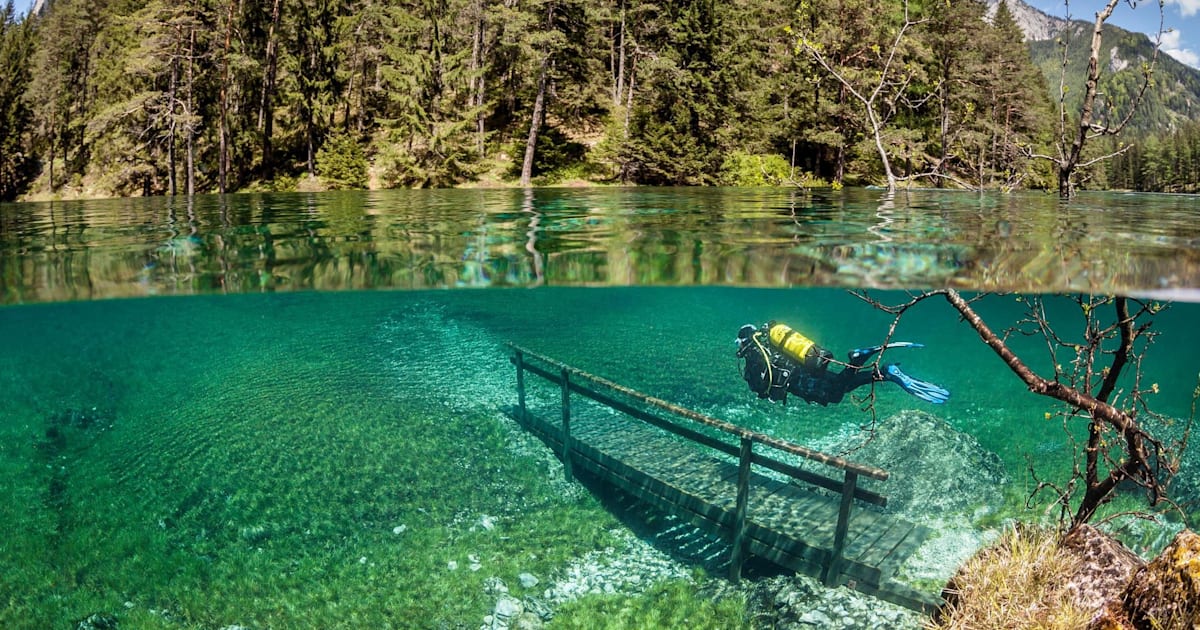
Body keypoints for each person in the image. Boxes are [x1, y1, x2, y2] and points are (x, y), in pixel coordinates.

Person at [735, 321, 949, 406]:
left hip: (797, 382)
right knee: (841, 384)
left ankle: (858, 358)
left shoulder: (754, 355)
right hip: (807, 368)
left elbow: (759, 386)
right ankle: (885, 373)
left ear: (743, 341)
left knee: (835, 394)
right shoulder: (770, 342)